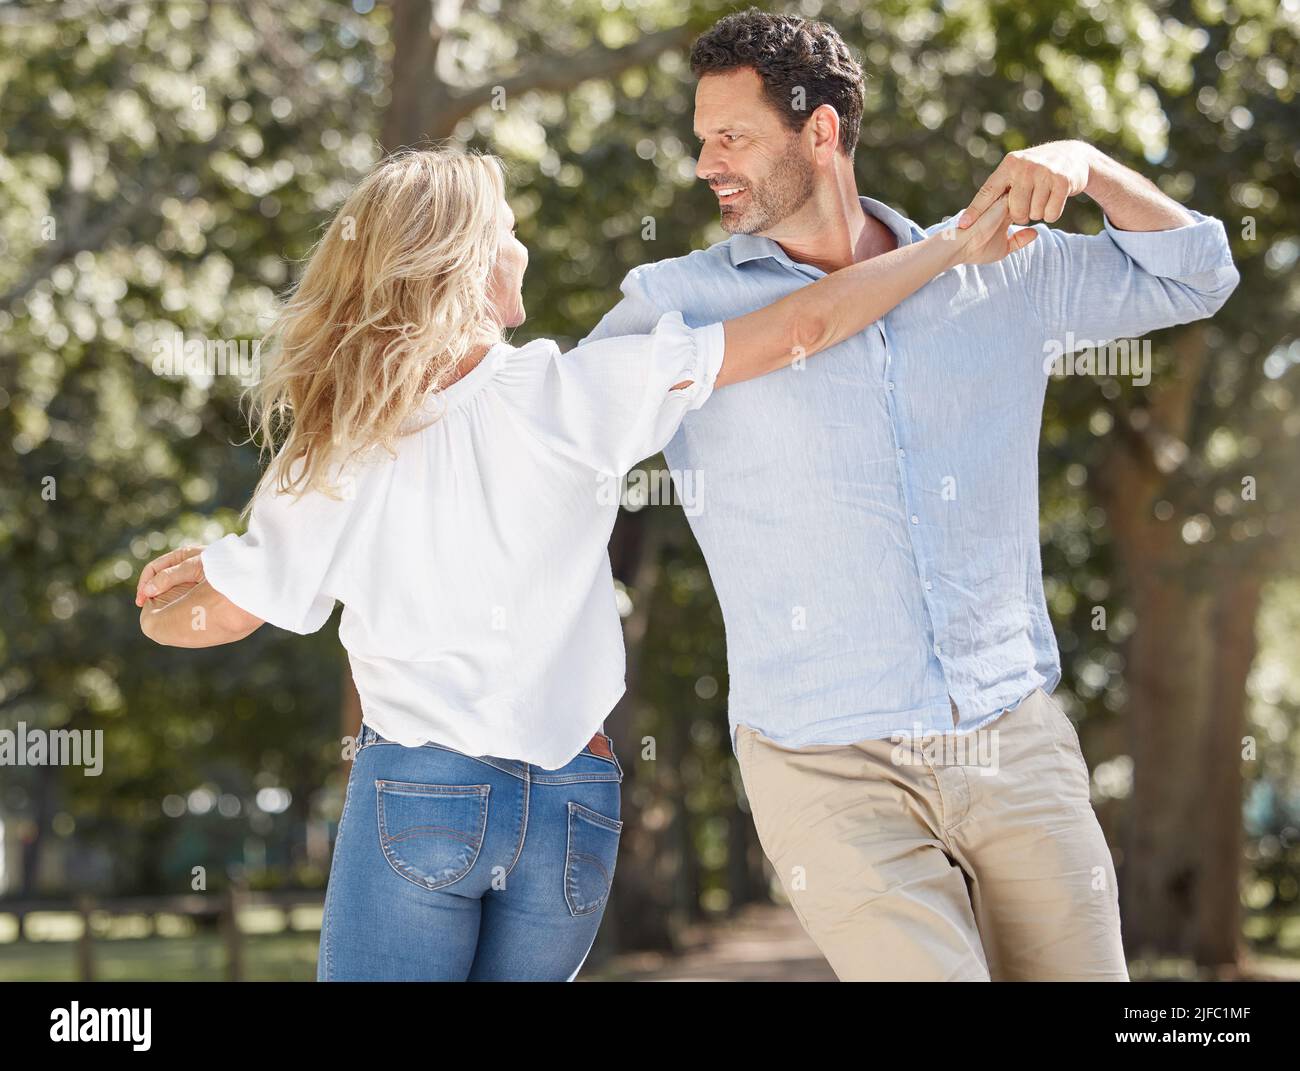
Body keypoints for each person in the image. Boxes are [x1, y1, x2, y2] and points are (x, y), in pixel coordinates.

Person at [135, 146, 1025, 981]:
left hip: (421, 794)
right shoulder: (579, 390)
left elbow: (221, 616)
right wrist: (948, 246)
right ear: (474, 261)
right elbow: (807, 321)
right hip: (576, 802)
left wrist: (172, 598)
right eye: (510, 231)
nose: (521, 249)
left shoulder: (341, 444)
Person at [581, 9, 1241, 981]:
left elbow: (1198, 275)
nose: (703, 165)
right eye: (701, 140)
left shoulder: (1002, 266)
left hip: (1008, 728)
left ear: (819, 131)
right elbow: (555, 444)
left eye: (731, 137)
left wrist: (1086, 165)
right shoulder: (671, 305)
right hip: (821, 758)